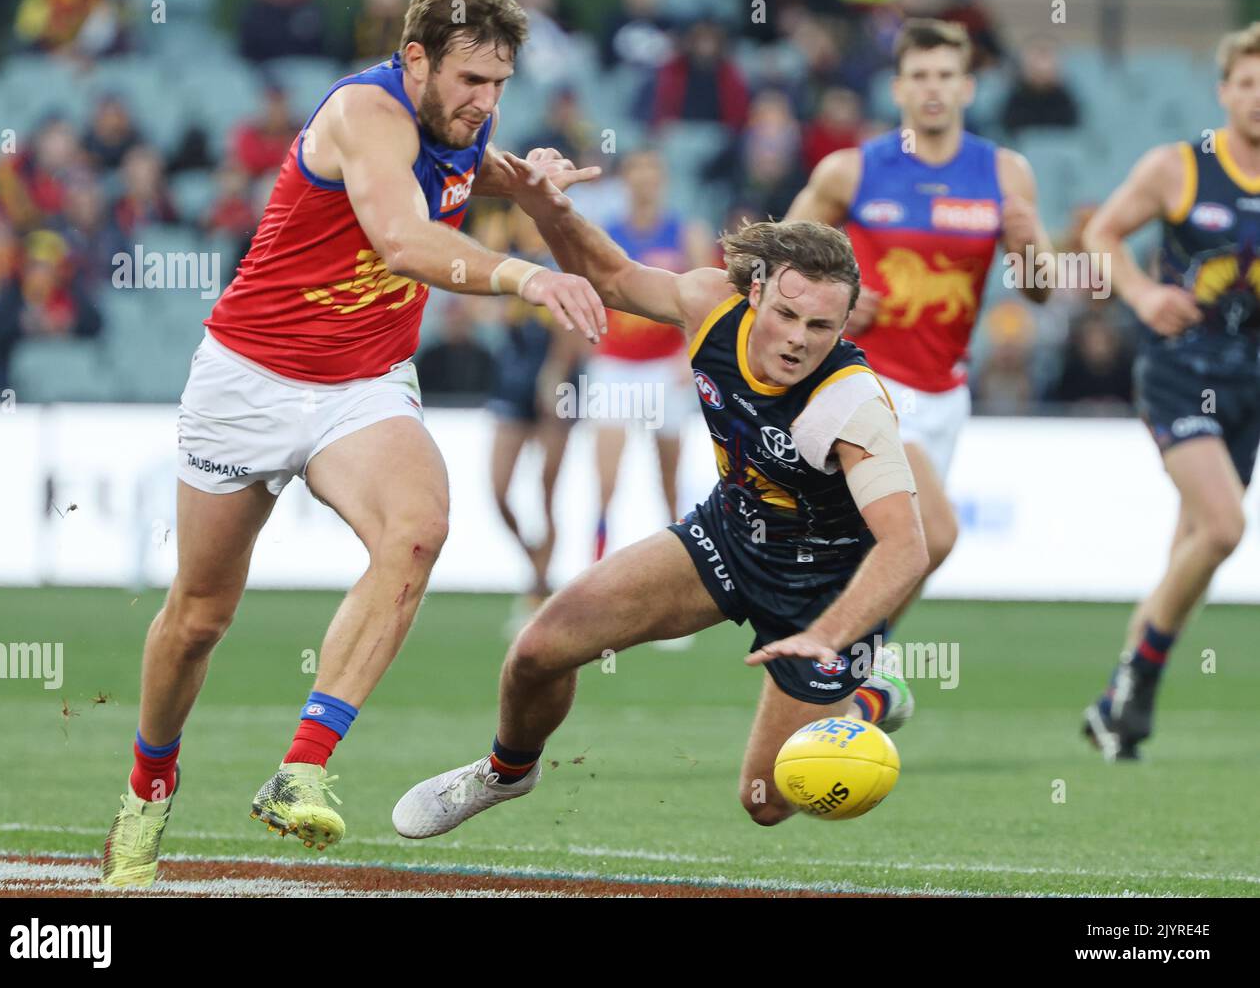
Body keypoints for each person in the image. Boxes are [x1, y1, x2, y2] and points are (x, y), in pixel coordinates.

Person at [100, 0, 606, 888]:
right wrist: (526, 275)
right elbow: (404, 239)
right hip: (247, 381)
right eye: (470, 82)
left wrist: (523, 181)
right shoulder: (363, 113)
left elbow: (461, 170)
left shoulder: (461, 120)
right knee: (200, 617)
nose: (486, 101)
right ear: (414, 58)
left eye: (499, 84)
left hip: (362, 386)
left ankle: (302, 766)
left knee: (417, 530)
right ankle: (149, 785)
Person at [393, 186, 927, 838]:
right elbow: (613, 277)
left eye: (821, 327)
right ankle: (507, 771)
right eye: (787, 314)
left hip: (821, 594)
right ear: (755, 294)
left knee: (765, 799)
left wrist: (831, 631)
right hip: (728, 535)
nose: (797, 340)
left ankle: (869, 695)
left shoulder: (853, 405)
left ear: (844, 325)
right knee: (538, 650)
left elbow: (906, 545)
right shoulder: (709, 303)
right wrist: (550, 210)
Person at [784, 18, 1051, 629]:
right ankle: (841, 658)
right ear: (898, 88)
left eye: (946, 76)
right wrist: (839, 302)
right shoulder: (851, 172)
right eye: (920, 76)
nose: (933, 88)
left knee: (898, 553)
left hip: (946, 392)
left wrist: (1032, 245)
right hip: (866, 382)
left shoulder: (1006, 173)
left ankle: (847, 663)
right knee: (933, 533)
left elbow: (1037, 291)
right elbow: (779, 266)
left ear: (969, 89)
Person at [1079, 24, 1260, 761]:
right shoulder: (1180, 167)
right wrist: (1144, 294)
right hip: (1180, 369)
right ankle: (1138, 682)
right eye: (1247, 84)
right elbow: (1101, 233)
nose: (1258, 98)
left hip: (1251, 378)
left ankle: (1113, 706)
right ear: (1224, 91)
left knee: (1190, 545)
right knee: (1222, 528)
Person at [587, 148, 712, 560]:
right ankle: (597, 564)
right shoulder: (603, 234)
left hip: (665, 367)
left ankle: (678, 566)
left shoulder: (686, 233)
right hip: (615, 364)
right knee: (605, 480)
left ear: (663, 180)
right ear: (625, 180)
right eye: (637, 171)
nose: (644, 180)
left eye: (651, 171)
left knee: (670, 480)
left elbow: (709, 300)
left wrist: (689, 355)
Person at [483, 205, 588, 612]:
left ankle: (539, 587)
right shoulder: (505, 244)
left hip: (555, 382)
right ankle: (535, 566)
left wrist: (557, 373)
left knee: (547, 487)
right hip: (512, 377)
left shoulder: (564, 249)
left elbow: (576, 324)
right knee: (498, 489)